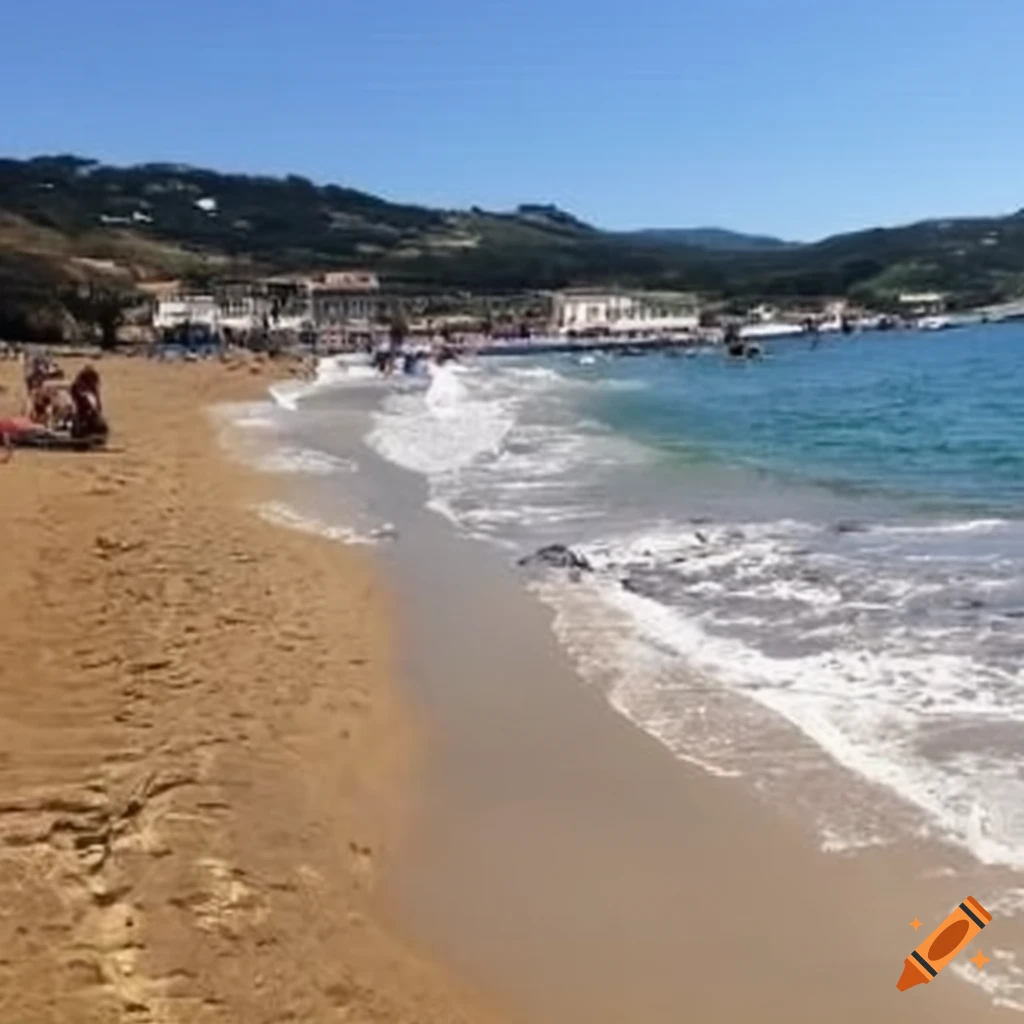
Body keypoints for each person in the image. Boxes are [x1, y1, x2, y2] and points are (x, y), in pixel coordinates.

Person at [69, 365, 108, 440]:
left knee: (100, 425)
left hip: (90, 419)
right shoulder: (77, 389)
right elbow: (80, 405)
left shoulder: (93, 392)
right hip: (81, 421)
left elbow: (98, 407)